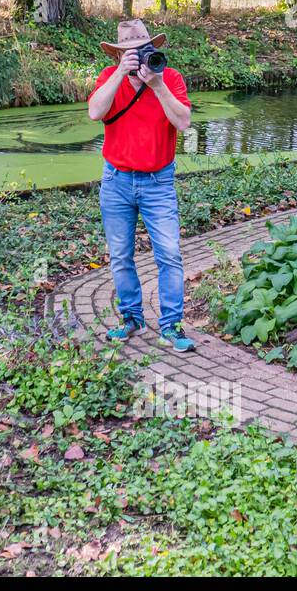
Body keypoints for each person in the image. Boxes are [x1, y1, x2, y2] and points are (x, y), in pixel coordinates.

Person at [86, 18, 195, 352]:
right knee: (120, 255)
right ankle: (131, 319)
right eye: (129, 51)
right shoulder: (110, 77)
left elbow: (184, 121)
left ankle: (171, 326)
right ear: (119, 53)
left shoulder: (170, 77)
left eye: (143, 49)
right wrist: (120, 73)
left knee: (170, 255)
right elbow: (94, 112)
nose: (138, 56)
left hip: (157, 183)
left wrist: (158, 85)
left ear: (153, 49)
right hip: (116, 181)